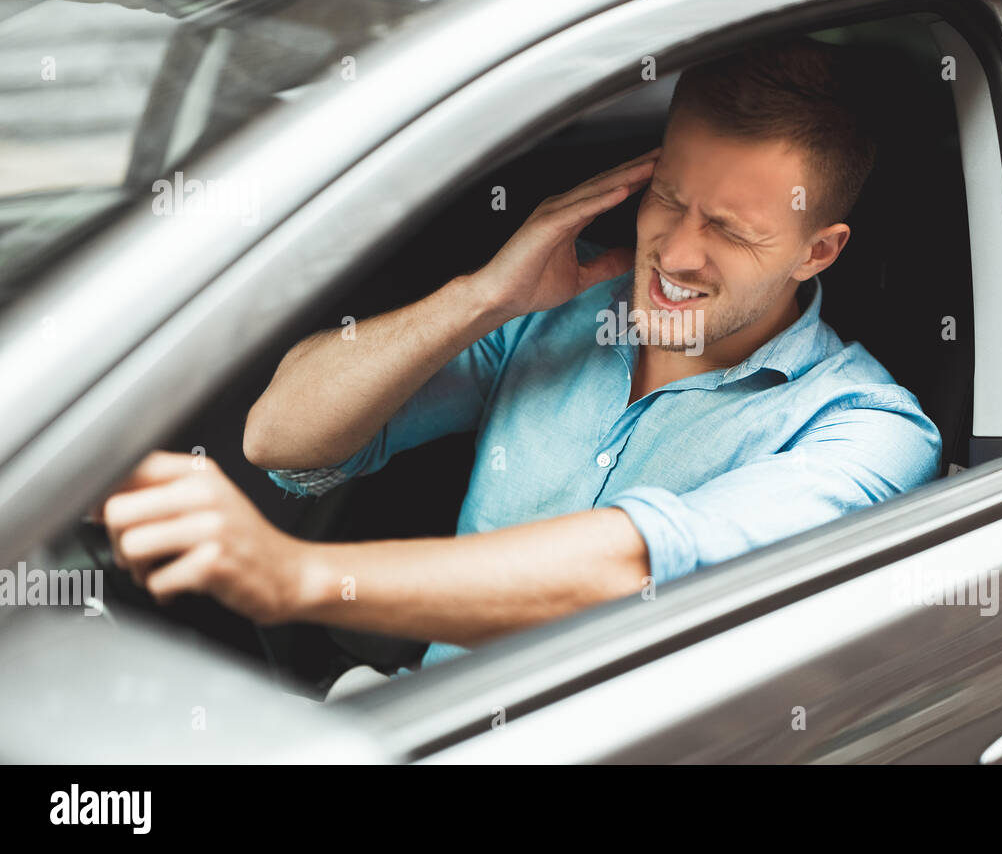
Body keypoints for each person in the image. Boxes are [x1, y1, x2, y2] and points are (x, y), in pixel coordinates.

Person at [95, 37, 941, 681]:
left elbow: (638, 575)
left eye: (730, 229)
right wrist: (484, 297)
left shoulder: (866, 433)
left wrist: (298, 575)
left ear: (818, 251)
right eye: (669, 199)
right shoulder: (565, 314)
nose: (678, 254)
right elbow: (280, 438)